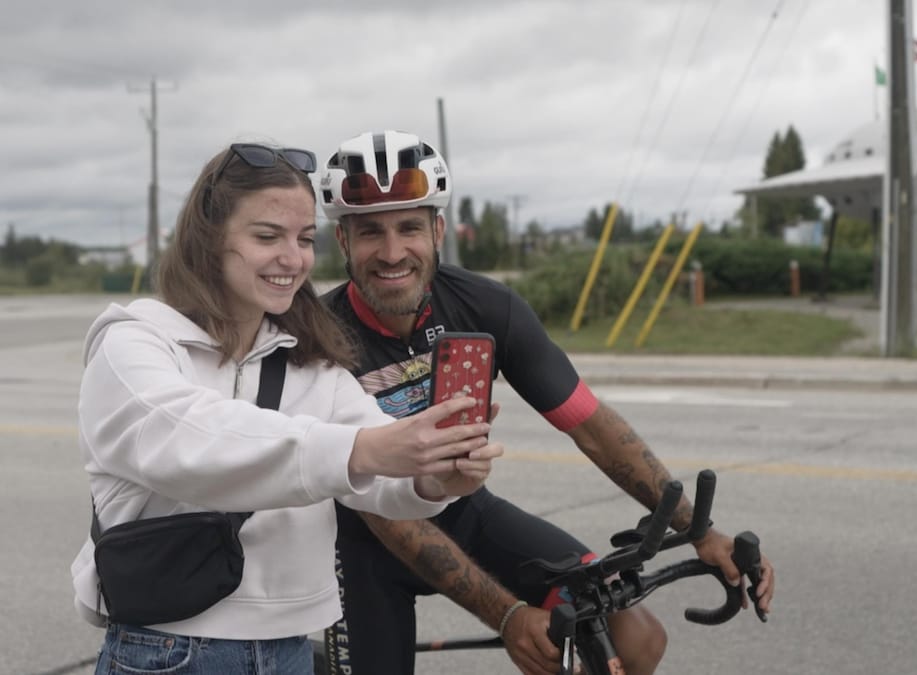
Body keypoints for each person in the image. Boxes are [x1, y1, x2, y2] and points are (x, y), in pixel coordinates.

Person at [318, 130, 776, 675]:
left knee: (632, 641)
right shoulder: (318, 339)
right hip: (363, 541)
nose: (392, 253)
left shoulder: (486, 306)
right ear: (343, 242)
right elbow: (378, 508)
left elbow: (590, 425)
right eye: (370, 232)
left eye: (409, 227)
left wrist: (697, 529)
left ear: (437, 230)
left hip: (463, 509)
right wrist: (507, 613)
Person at [70, 141, 504, 674]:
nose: (293, 258)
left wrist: (435, 475)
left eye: (303, 239)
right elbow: (192, 442)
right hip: (167, 651)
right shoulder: (134, 345)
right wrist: (366, 449)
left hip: (290, 649)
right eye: (267, 236)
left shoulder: (311, 364)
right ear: (209, 240)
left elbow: (379, 475)